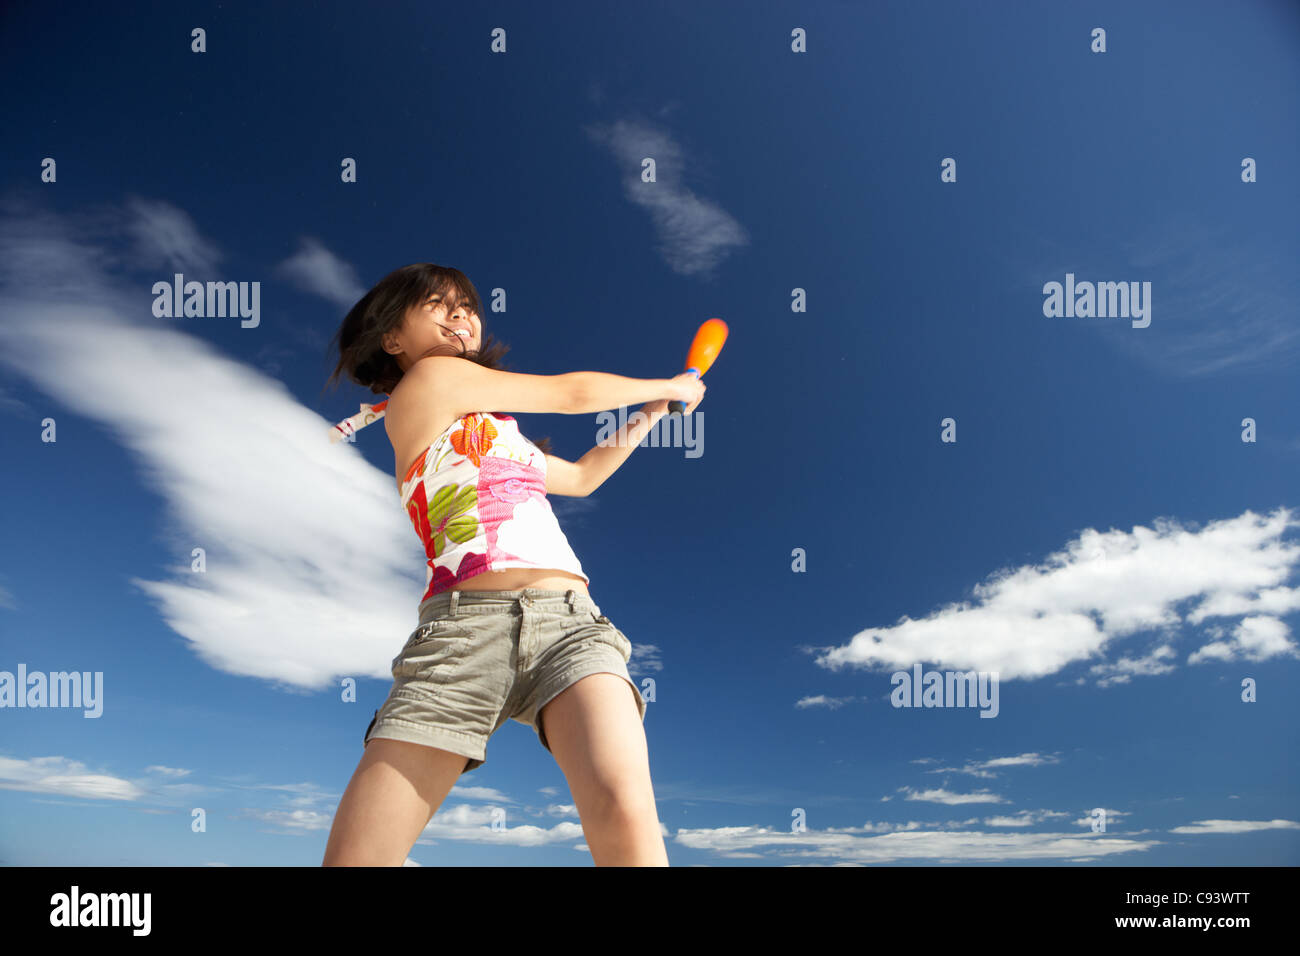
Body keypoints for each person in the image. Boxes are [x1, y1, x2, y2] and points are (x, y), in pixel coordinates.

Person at [319, 263, 705, 866]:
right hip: (461, 631)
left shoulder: (498, 434)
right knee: (360, 859)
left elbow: (581, 477)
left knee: (623, 807)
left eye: (467, 306)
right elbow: (571, 395)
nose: (460, 315)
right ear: (392, 338)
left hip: (571, 625)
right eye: (436, 305)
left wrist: (652, 411)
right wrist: (674, 385)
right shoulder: (433, 383)